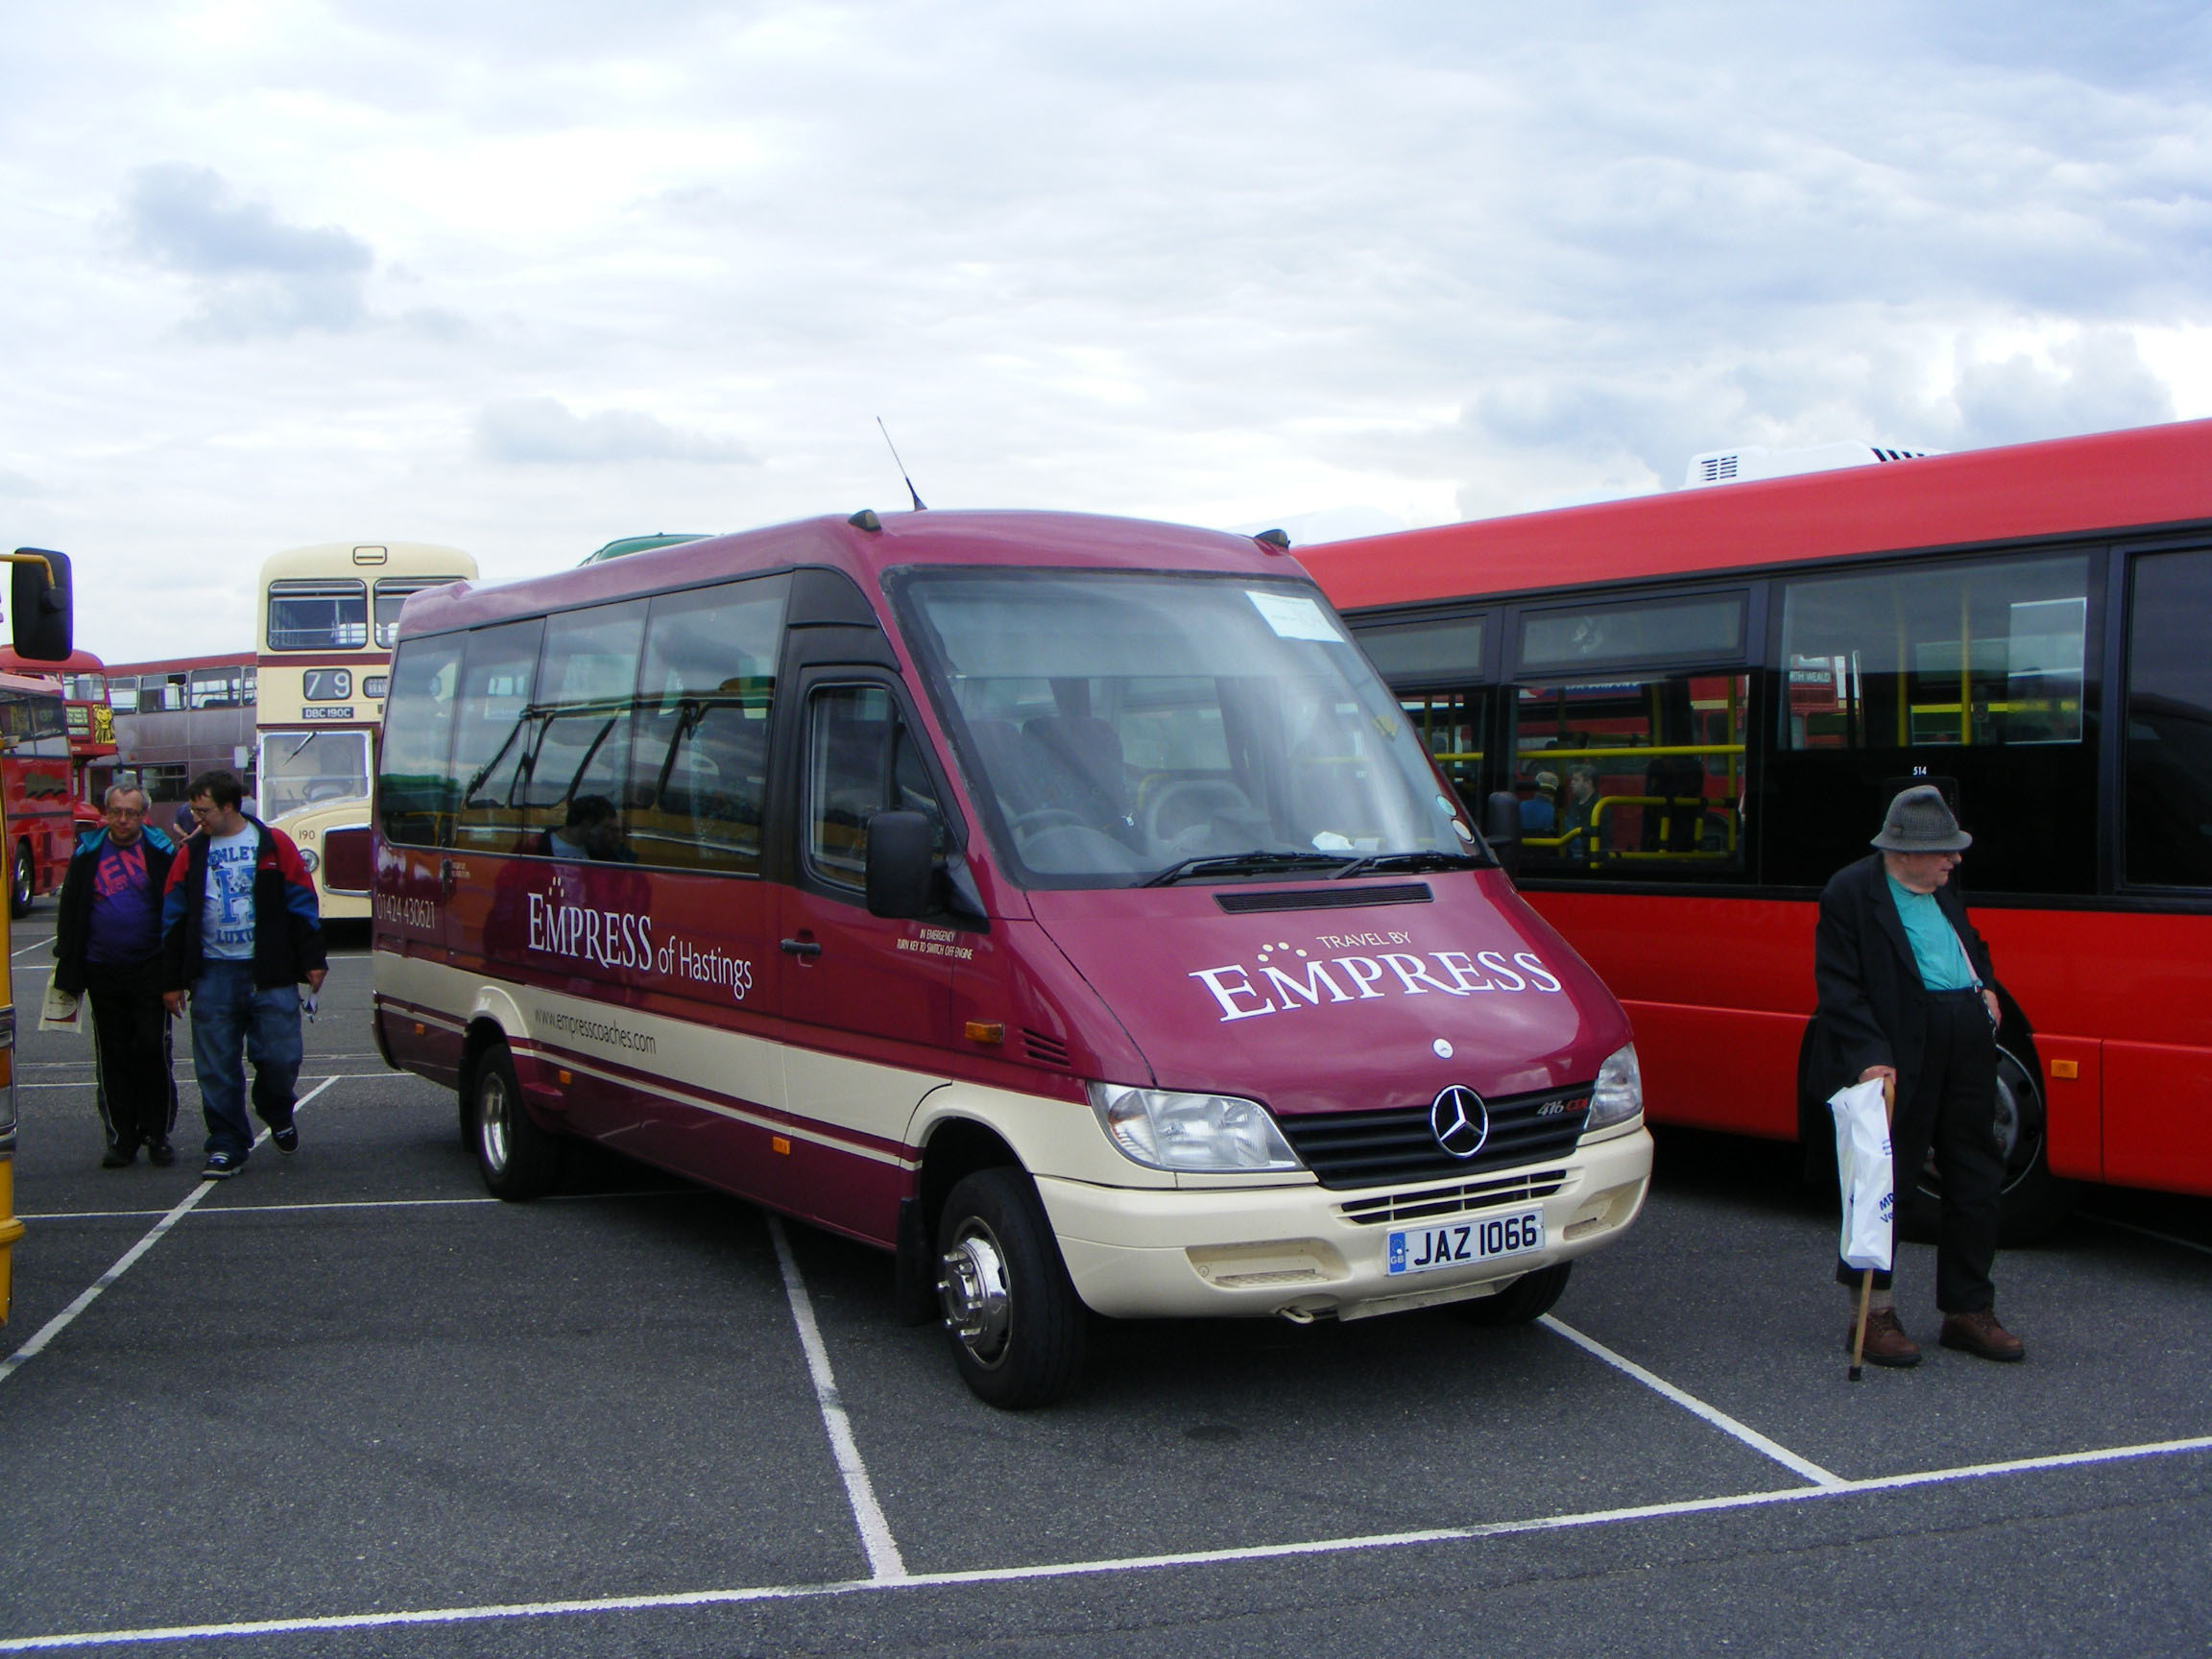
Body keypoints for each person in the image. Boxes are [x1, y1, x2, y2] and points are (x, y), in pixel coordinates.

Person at [1806, 784, 2022, 1366]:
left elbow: (1970, 946)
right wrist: (1870, 1055)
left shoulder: (1944, 889)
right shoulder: (1851, 892)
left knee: (1976, 1176)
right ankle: (1873, 1315)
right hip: (1899, 1048)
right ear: (1905, 851)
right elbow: (1840, 988)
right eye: (1945, 850)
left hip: (1964, 1044)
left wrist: (1987, 987)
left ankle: (1967, 1308)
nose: (1955, 859)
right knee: (1883, 1184)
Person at [159, 770, 327, 1181]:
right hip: (213, 972)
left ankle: (276, 1109)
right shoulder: (192, 852)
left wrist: (312, 958)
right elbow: (172, 916)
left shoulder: (273, 844)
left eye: (204, 810)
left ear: (230, 805)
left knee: (281, 1057)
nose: (198, 819)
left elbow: (302, 902)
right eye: (195, 811)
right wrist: (171, 979)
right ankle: (226, 1143)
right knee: (215, 1066)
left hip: (269, 971)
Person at [53, 785, 180, 1167]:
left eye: (131, 813)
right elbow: (71, 910)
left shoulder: (161, 853)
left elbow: (176, 912)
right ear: (105, 814)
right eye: (116, 812)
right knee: (113, 1056)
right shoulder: (87, 853)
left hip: (150, 968)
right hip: (101, 968)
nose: (123, 820)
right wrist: (69, 965)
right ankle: (122, 1137)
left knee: (150, 1049)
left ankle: (156, 1133)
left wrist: (176, 972)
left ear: (145, 816)